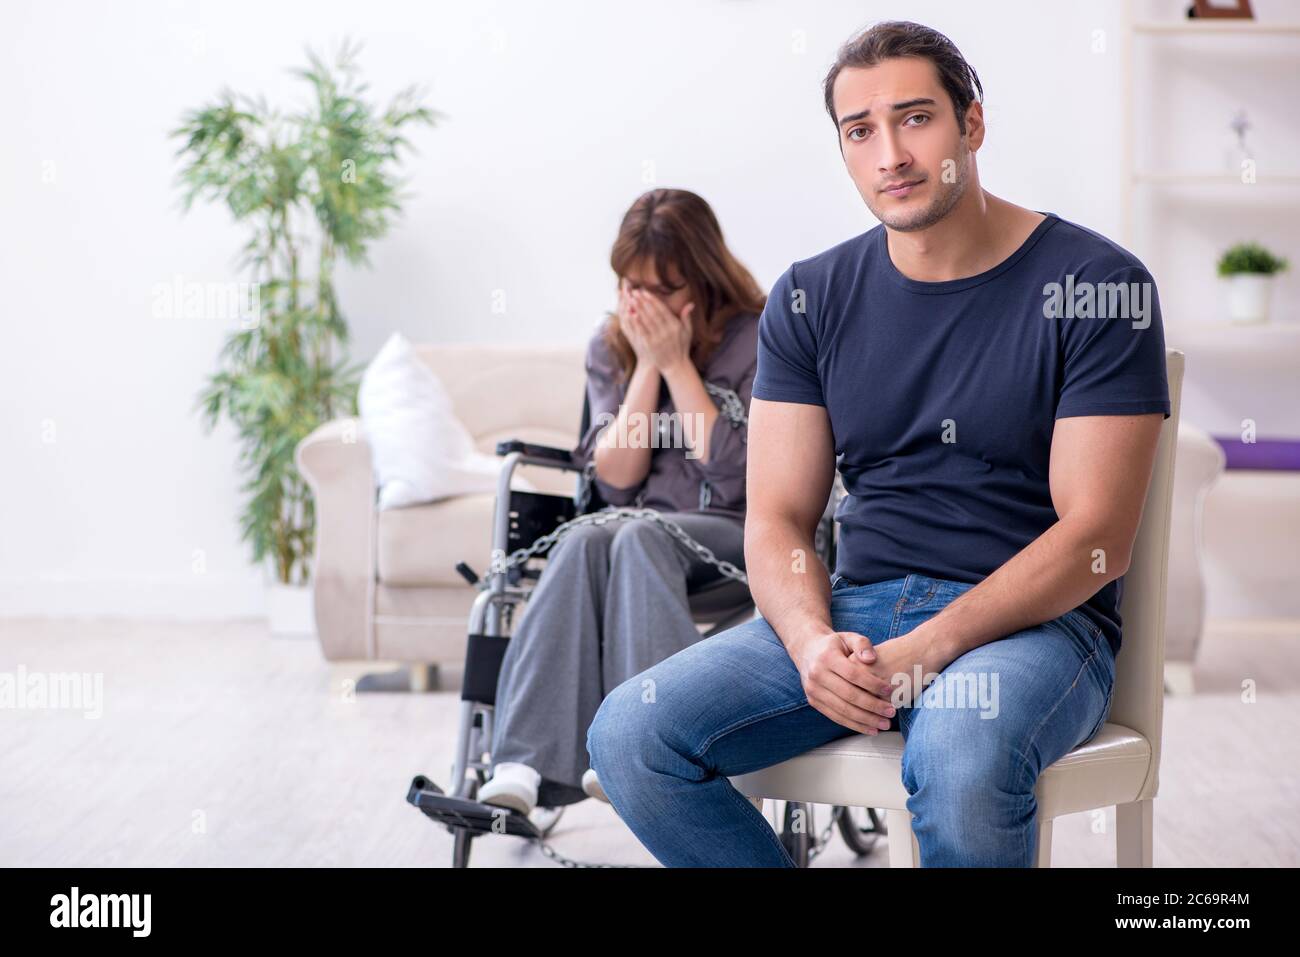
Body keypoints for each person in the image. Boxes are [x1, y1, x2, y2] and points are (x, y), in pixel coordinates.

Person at [587, 20, 1171, 866]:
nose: (890, 154)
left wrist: (926, 650)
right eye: (860, 131)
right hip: (857, 615)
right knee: (632, 734)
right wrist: (809, 641)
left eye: (915, 118)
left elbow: (1095, 536)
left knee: (962, 758)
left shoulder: (1098, 285)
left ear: (972, 123)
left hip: (1035, 630)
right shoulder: (809, 298)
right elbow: (777, 517)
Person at [477, 188, 767, 816]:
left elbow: (737, 478)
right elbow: (613, 482)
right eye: (632, 286)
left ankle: (639, 745)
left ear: (703, 278)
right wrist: (647, 368)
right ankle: (522, 761)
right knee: (585, 535)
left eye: (663, 288)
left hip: (734, 533)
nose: (644, 304)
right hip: (636, 531)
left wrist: (679, 366)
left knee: (637, 534)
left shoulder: (756, 336)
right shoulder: (609, 345)